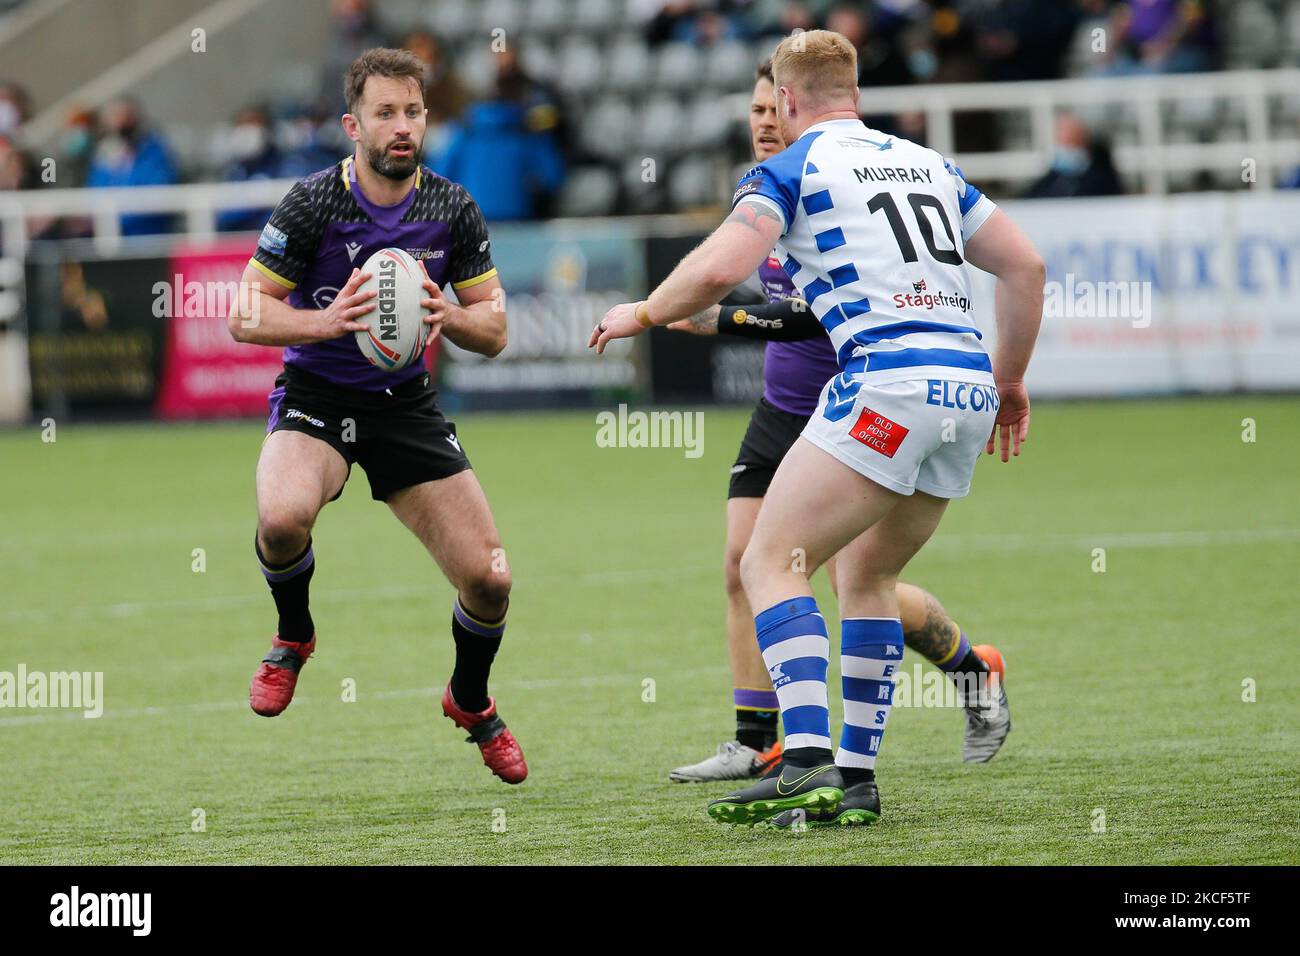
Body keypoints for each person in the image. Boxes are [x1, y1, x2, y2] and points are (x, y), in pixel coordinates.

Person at [592, 30, 1043, 827]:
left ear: (789, 101)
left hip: (886, 384)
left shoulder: (791, 168)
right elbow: (1026, 266)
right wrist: (1009, 379)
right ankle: (858, 781)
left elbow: (719, 266)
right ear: (855, 93)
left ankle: (803, 760)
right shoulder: (926, 163)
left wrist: (644, 310)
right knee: (864, 578)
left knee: (772, 557)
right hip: (965, 387)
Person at [226, 48, 527, 785]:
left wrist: (447, 314)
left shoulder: (450, 207)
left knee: (490, 580)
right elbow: (244, 314)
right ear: (351, 124)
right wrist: (328, 324)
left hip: (405, 407)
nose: (402, 127)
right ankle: (293, 636)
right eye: (385, 113)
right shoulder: (313, 202)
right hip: (318, 398)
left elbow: (494, 331)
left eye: (413, 112)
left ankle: (469, 698)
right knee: (281, 518)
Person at [85, 98, 179, 236]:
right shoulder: (104, 154)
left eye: (125, 117)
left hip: (148, 234)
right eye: (115, 117)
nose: (120, 124)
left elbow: (157, 189)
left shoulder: (155, 151)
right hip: (109, 235)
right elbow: (96, 189)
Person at [1022, 113, 1123, 199]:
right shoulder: (1053, 177)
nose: (1063, 148)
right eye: (1060, 141)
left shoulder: (1102, 177)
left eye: (1069, 142)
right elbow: (1030, 197)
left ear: (1082, 140)